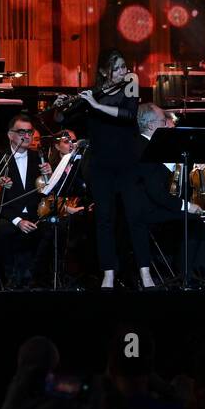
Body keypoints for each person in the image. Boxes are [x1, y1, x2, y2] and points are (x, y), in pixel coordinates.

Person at [53, 48, 140, 290]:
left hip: (125, 163)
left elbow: (128, 114)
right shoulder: (92, 93)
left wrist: (95, 105)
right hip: (100, 164)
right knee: (104, 219)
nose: (124, 71)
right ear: (104, 71)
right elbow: (63, 120)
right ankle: (108, 273)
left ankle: (139, 273)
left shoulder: (129, 86)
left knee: (133, 217)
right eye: (118, 68)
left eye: (124, 66)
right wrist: (61, 107)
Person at [130, 104, 205, 287]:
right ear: (150, 125)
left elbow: (160, 179)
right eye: (163, 122)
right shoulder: (145, 148)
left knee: (187, 219)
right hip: (145, 211)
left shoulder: (144, 145)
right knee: (194, 221)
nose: (166, 126)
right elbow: (156, 192)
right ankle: (185, 275)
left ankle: (181, 272)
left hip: (146, 207)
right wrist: (187, 206)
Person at [0, 113, 52, 289]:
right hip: (8, 216)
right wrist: (18, 221)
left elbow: (46, 193)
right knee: (4, 230)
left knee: (51, 229)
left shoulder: (39, 157)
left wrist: (49, 176)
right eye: (21, 131)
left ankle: (33, 277)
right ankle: (10, 280)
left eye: (29, 132)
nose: (26, 136)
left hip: (34, 214)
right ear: (10, 135)